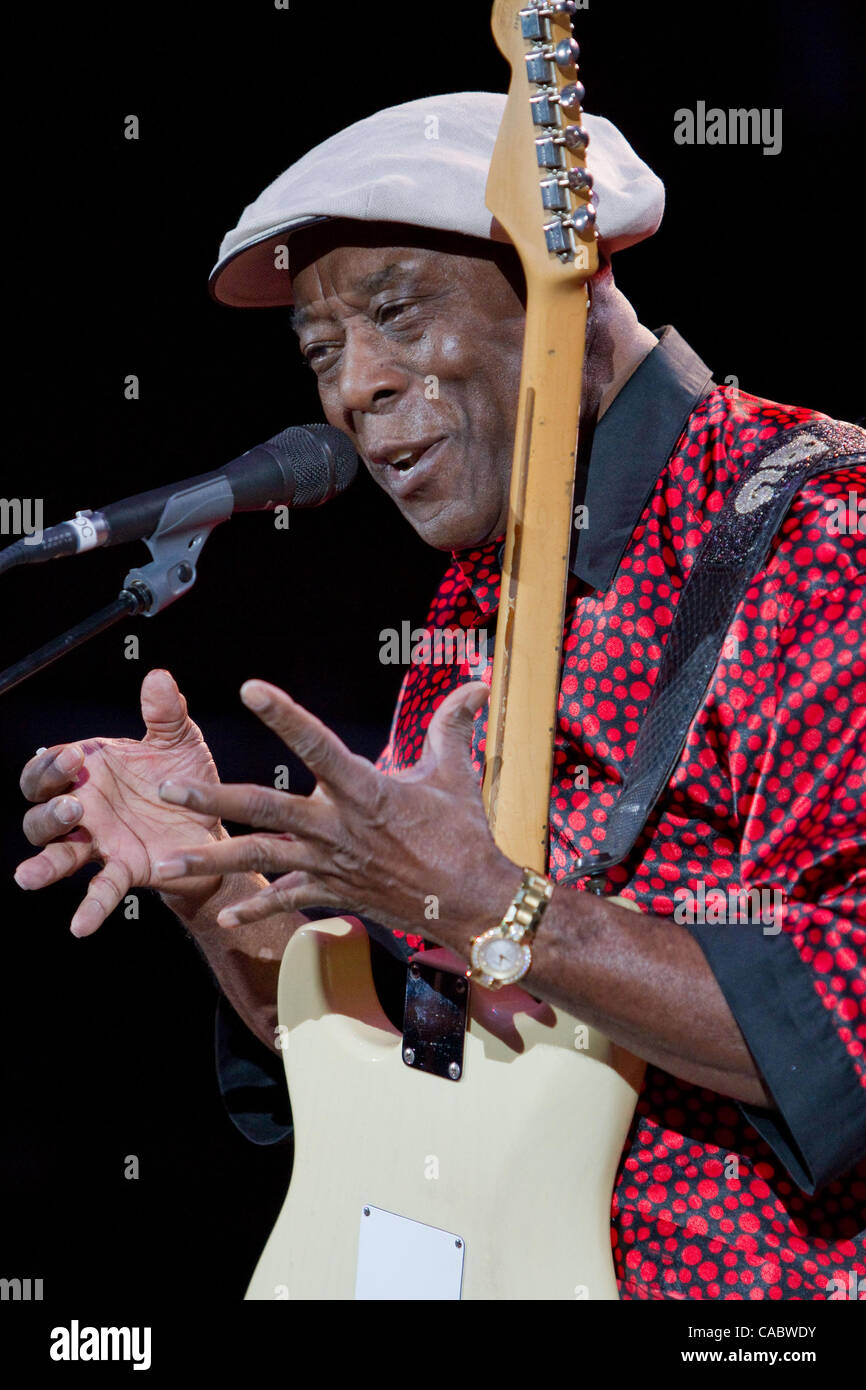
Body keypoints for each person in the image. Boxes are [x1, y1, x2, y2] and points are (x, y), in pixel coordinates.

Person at [15, 93, 866, 1300]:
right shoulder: (477, 598)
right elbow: (429, 1051)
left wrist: (490, 903)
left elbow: (845, 1022)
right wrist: (214, 881)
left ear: (560, 280)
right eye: (321, 352)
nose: (354, 388)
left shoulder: (825, 539)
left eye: (393, 312)